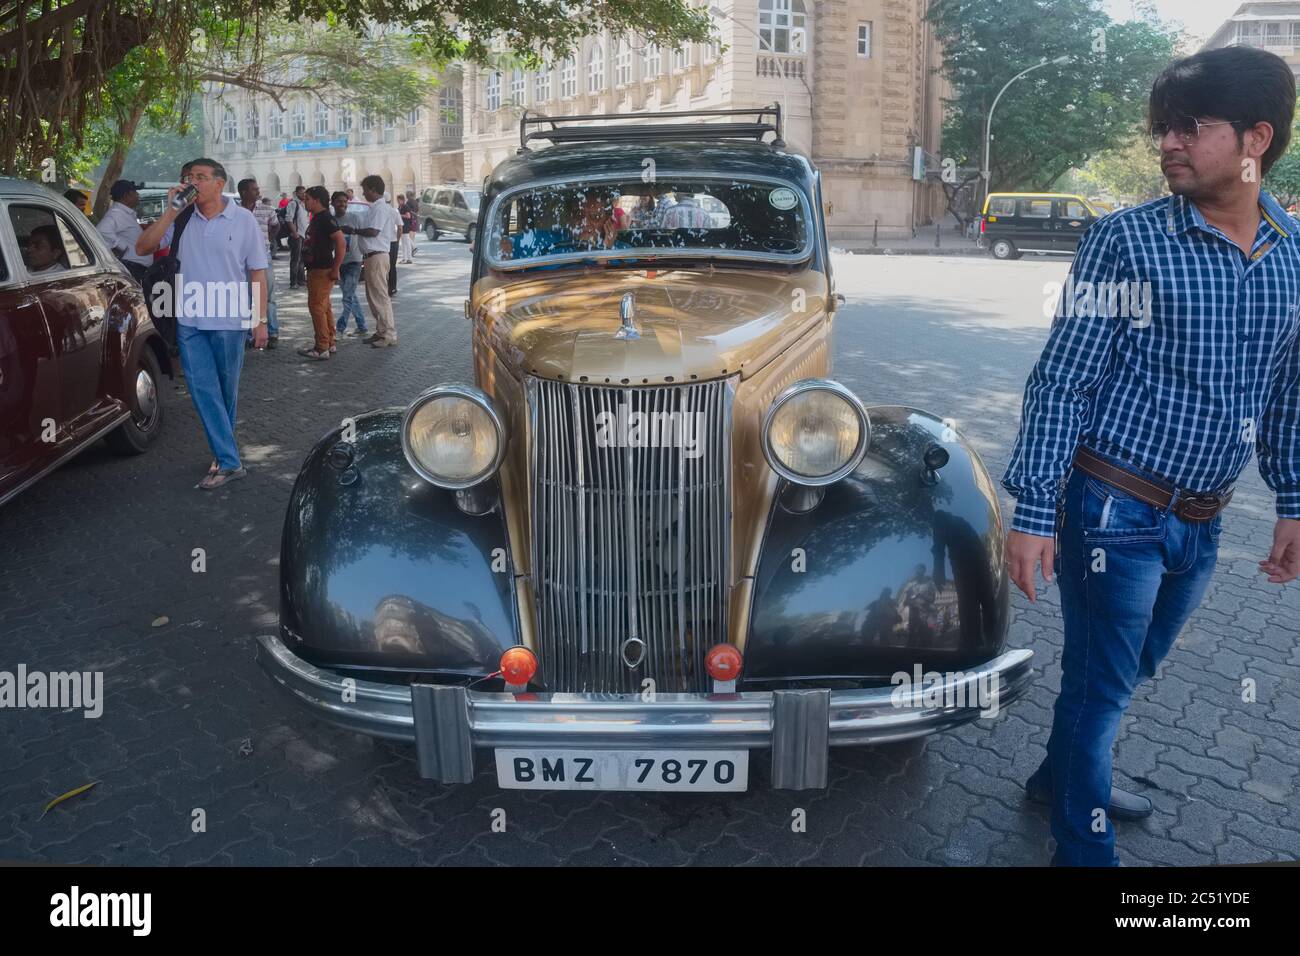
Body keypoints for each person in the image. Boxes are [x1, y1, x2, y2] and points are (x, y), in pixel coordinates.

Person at [1002, 45, 1300, 867]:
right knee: (1100, 687)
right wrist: (1034, 511)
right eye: (1163, 127)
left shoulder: (1294, 253)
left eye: (1189, 126)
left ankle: (1063, 777)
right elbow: (1063, 380)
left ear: (1256, 139)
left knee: (1132, 668)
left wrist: (1293, 502)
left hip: (1202, 520)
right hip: (1111, 509)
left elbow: (1288, 392)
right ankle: (1082, 843)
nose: (1167, 143)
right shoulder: (1125, 240)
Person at [135, 158, 268, 490]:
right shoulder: (181, 218)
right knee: (202, 390)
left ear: (219, 184)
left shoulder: (242, 219)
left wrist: (260, 320)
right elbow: (143, 247)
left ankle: (223, 454)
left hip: (230, 319)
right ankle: (229, 461)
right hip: (189, 319)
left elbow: (257, 272)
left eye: (200, 177)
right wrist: (170, 211)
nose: (192, 182)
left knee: (225, 392)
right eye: (188, 177)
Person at [341, 174, 397, 347]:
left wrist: (354, 231)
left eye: (365, 190)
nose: (364, 194)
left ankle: (388, 334)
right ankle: (381, 331)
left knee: (380, 296)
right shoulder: (375, 208)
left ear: (373, 190)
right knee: (374, 296)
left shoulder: (380, 208)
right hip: (373, 257)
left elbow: (373, 231)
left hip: (377, 256)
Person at [297, 185, 344, 360]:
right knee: (324, 307)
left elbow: (341, 242)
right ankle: (329, 342)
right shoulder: (318, 218)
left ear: (317, 201)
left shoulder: (325, 218)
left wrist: (336, 268)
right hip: (317, 268)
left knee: (316, 306)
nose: (305, 202)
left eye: (308, 199)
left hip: (322, 270)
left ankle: (321, 347)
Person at [237, 178, 280, 349]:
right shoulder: (235, 212)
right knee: (244, 297)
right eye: (254, 189)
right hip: (241, 260)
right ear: (243, 192)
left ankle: (272, 332)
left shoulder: (267, 209)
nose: (258, 192)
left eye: (257, 189)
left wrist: (267, 240)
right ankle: (247, 334)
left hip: (264, 258)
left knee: (268, 296)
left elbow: (276, 225)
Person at [96, 179, 152, 283]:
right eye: (135, 192)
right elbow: (101, 231)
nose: (138, 195)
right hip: (131, 268)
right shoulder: (116, 213)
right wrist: (122, 246)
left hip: (136, 268)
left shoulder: (124, 213)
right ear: (127, 195)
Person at [331, 191, 368, 337]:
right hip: (339, 263)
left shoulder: (354, 218)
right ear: (333, 203)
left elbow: (363, 236)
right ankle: (362, 325)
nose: (342, 204)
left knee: (347, 296)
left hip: (354, 261)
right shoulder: (331, 221)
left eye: (345, 202)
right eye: (339, 201)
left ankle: (340, 329)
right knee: (350, 295)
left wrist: (364, 255)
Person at [285, 185, 309, 288]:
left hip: (303, 235)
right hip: (297, 236)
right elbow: (288, 219)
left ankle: (301, 280)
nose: (303, 195)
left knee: (302, 259)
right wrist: (295, 233)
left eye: (304, 193)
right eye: (301, 193)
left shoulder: (303, 205)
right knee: (295, 259)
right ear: (296, 193)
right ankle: (293, 282)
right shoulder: (293, 204)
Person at [388, 193, 401, 293]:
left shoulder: (378, 211)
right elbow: (400, 227)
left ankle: (385, 286)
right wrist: (397, 239)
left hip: (382, 243)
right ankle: (392, 287)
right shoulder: (394, 211)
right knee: (392, 265)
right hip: (393, 241)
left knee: (383, 266)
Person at [398, 193, 416, 262]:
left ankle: (409, 258)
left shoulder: (405, 207)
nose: (398, 201)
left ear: (402, 200)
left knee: (407, 243)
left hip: (406, 226)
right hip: (402, 226)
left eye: (399, 200)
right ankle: (404, 258)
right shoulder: (400, 207)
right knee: (403, 243)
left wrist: (400, 215)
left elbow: (408, 216)